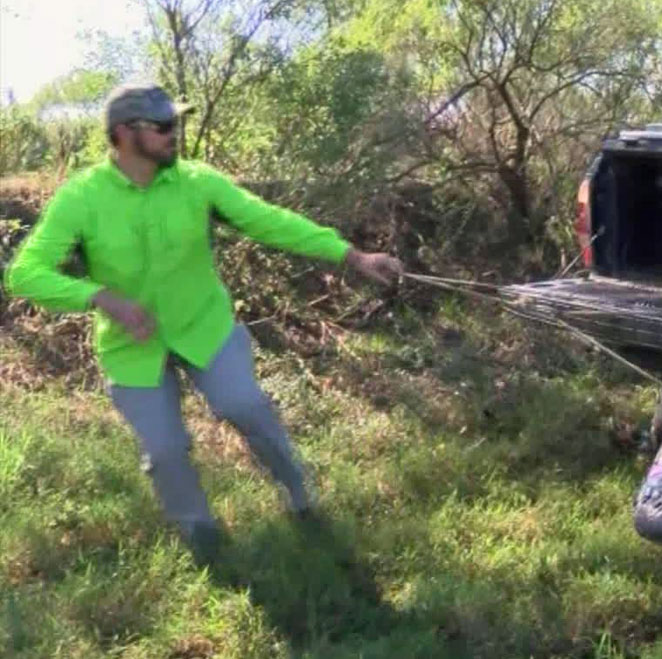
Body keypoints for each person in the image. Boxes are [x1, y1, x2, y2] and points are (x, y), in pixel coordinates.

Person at [3, 83, 405, 559]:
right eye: (164, 126)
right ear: (124, 134)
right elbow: (25, 275)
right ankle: (203, 540)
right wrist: (99, 297)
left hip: (205, 326)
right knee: (166, 453)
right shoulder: (82, 197)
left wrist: (351, 256)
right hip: (132, 347)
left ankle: (302, 500)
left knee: (246, 406)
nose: (176, 134)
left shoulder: (198, 182)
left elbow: (270, 221)